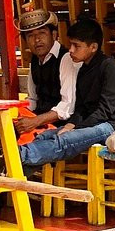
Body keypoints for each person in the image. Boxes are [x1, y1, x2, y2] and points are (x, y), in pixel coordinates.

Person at [19, 17, 115, 169]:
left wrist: (75, 128)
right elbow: (81, 107)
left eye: (76, 46)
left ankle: (15, 157)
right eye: (71, 44)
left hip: (112, 126)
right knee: (45, 136)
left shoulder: (109, 67)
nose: (71, 50)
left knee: (65, 140)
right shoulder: (83, 68)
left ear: (93, 47)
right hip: (91, 123)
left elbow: (105, 111)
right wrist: (71, 124)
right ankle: (10, 169)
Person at [12, 9, 77, 137]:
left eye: (42, 33)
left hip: (61, 126)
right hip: (38, 121)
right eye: (30, 36)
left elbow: (67, 107)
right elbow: (33, 99)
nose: (37, 40)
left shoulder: (66, 58)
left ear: (53, 35)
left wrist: (34, 121)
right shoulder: (35, 60)